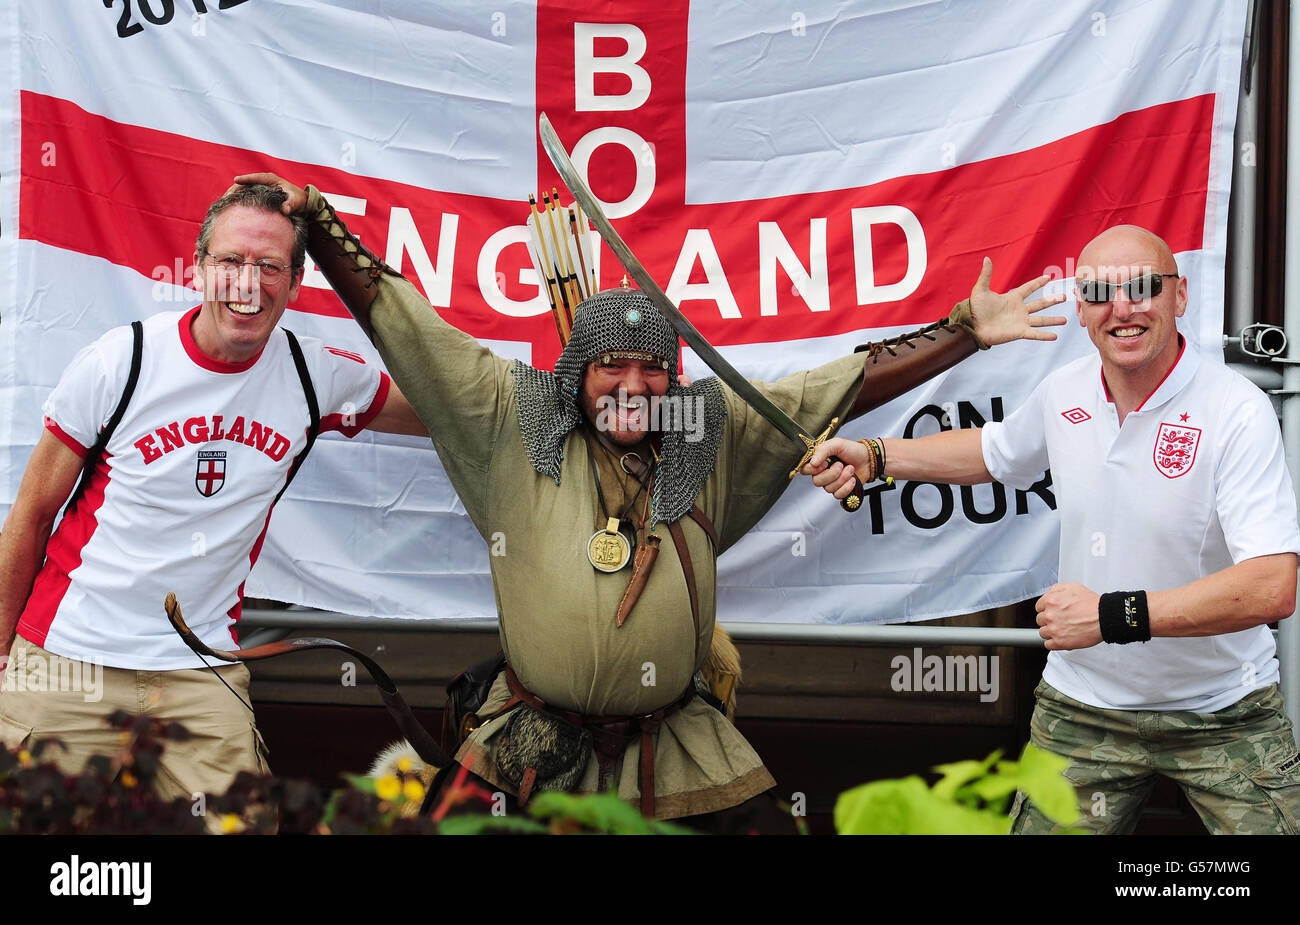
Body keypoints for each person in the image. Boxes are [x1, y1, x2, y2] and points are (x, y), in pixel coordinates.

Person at [237, 171, 1063, 826]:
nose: (633, 386)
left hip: (678, 743)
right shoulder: (514, 421)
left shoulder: (712, 433)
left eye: (651, 368)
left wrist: (965, 330)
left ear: (675, 374)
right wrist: (315, 221)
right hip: (523, 740)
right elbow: (403, 318)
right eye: (611, 367)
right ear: (579, 372)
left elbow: (842, 383)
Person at [806, 224, 1300, 834]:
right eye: (1098, 292)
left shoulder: (1236, 409)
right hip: (1086, 706)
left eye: (1143, 287)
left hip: (1222, 706)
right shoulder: (1066, 388)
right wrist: (879, 456)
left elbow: (1270, 587)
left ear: (1180, 295)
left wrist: (1112, 616)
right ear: (1083, 307)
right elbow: (993, 452)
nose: (1122, 309)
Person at [0, 183, 427, 824]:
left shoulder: (317, 376)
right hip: (67, 658)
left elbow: (452, 407)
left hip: (198, 672)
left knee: (246, 823)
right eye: (230, 262)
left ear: (297, 280)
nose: (246, 284)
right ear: (198, 267)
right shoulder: (125, 361)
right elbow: (31, 515)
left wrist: (568, 397)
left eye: (269, 267)